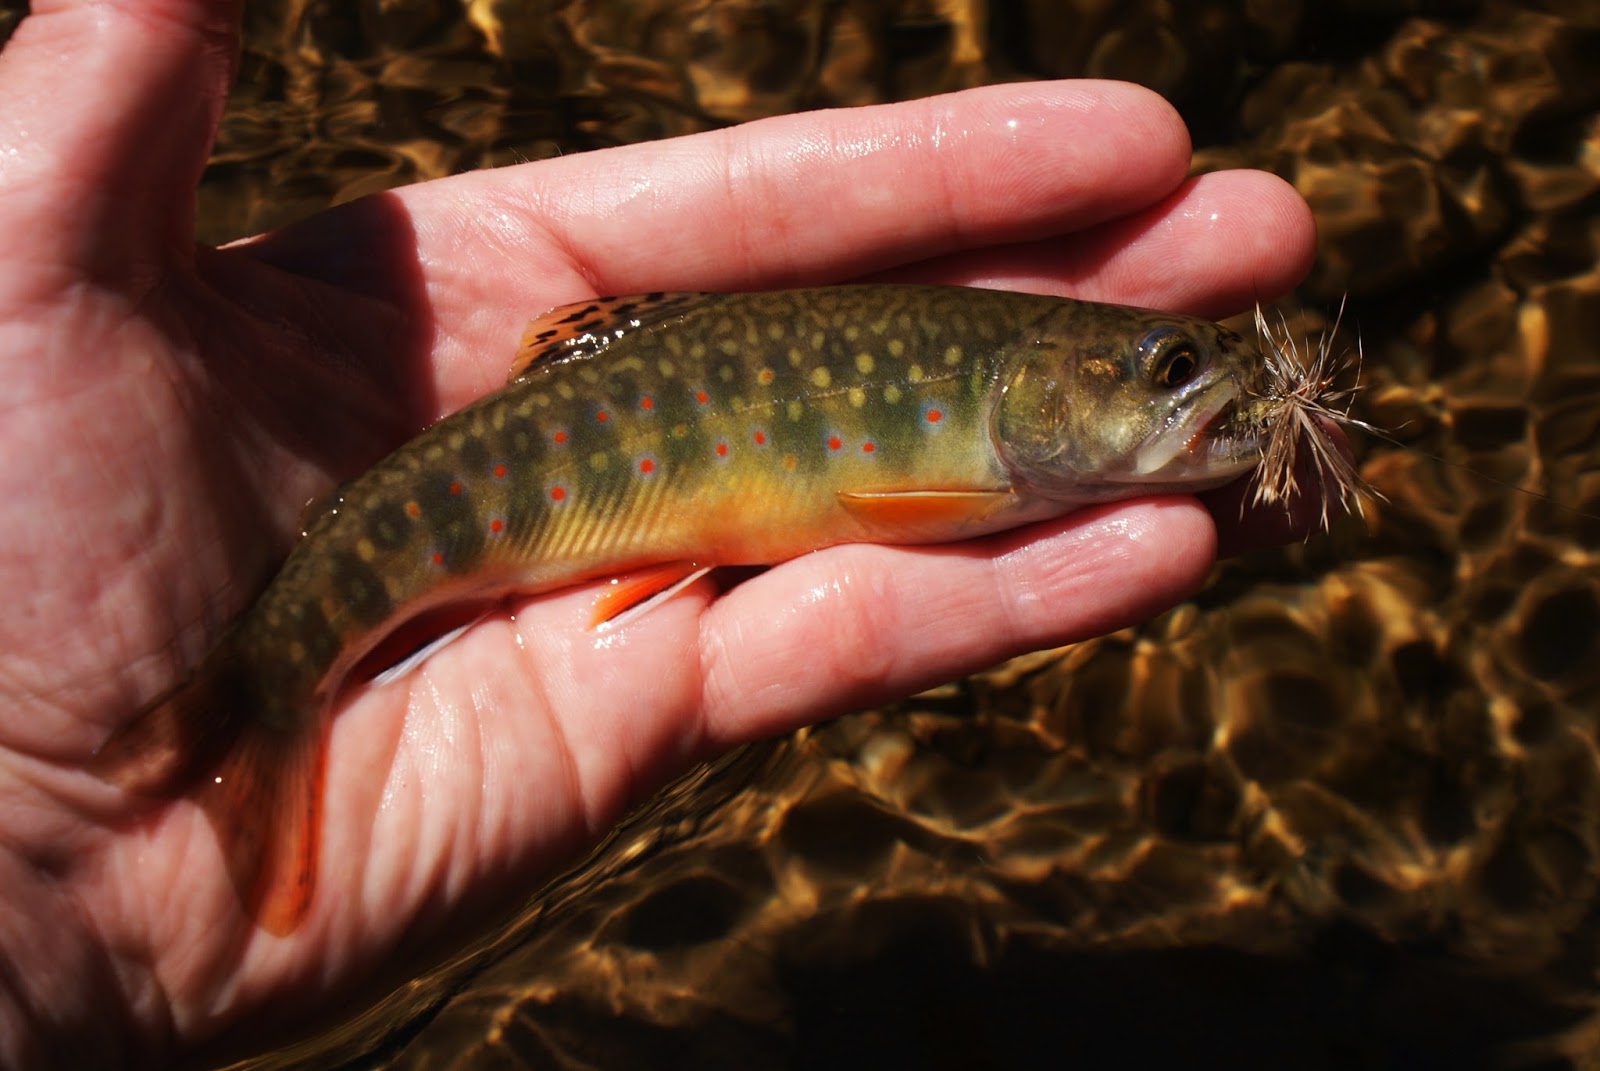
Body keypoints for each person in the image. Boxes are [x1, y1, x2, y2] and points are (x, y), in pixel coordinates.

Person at [0, 1, 1320, 1066]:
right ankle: (265, 691)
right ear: (1049, 377)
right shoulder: (986, 445)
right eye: (1165, 368)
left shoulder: (1014, 416)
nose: (1195, 391)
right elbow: (896, 507)